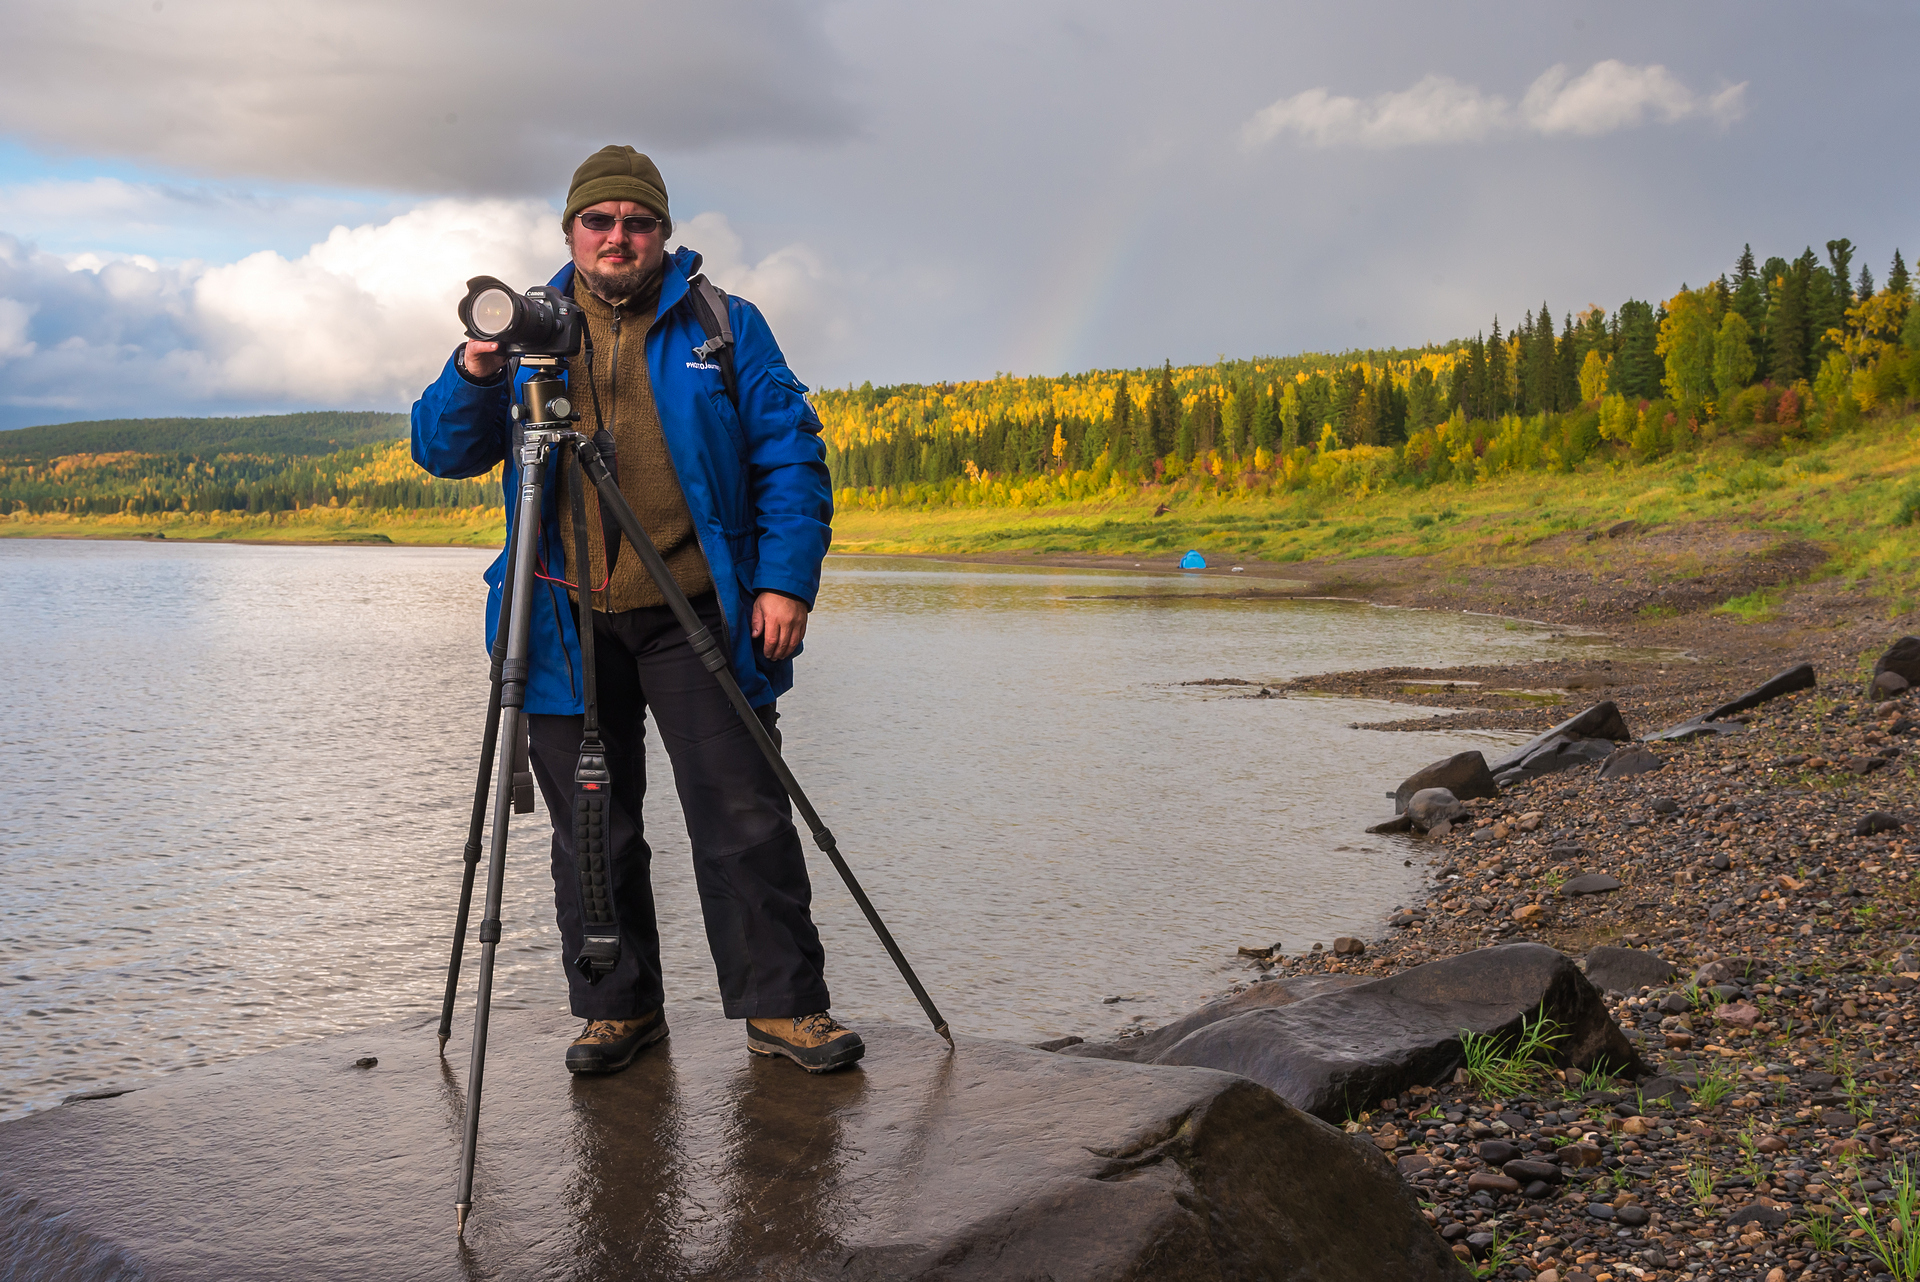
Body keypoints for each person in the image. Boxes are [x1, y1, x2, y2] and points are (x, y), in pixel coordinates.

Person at [412, 145, 859, 1076]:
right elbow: (443, 452)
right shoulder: (524, 328)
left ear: (663, 232)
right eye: (600, 221)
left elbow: (790, 459)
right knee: (591, 830)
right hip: (562, 622)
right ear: (570, 230)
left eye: (638, 222)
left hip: (694, 609)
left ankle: (783, 1009)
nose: (619, 237)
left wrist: (784, 582)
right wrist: (474, 367)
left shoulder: (723, 324)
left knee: (742, 818)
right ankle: (616, 1009)